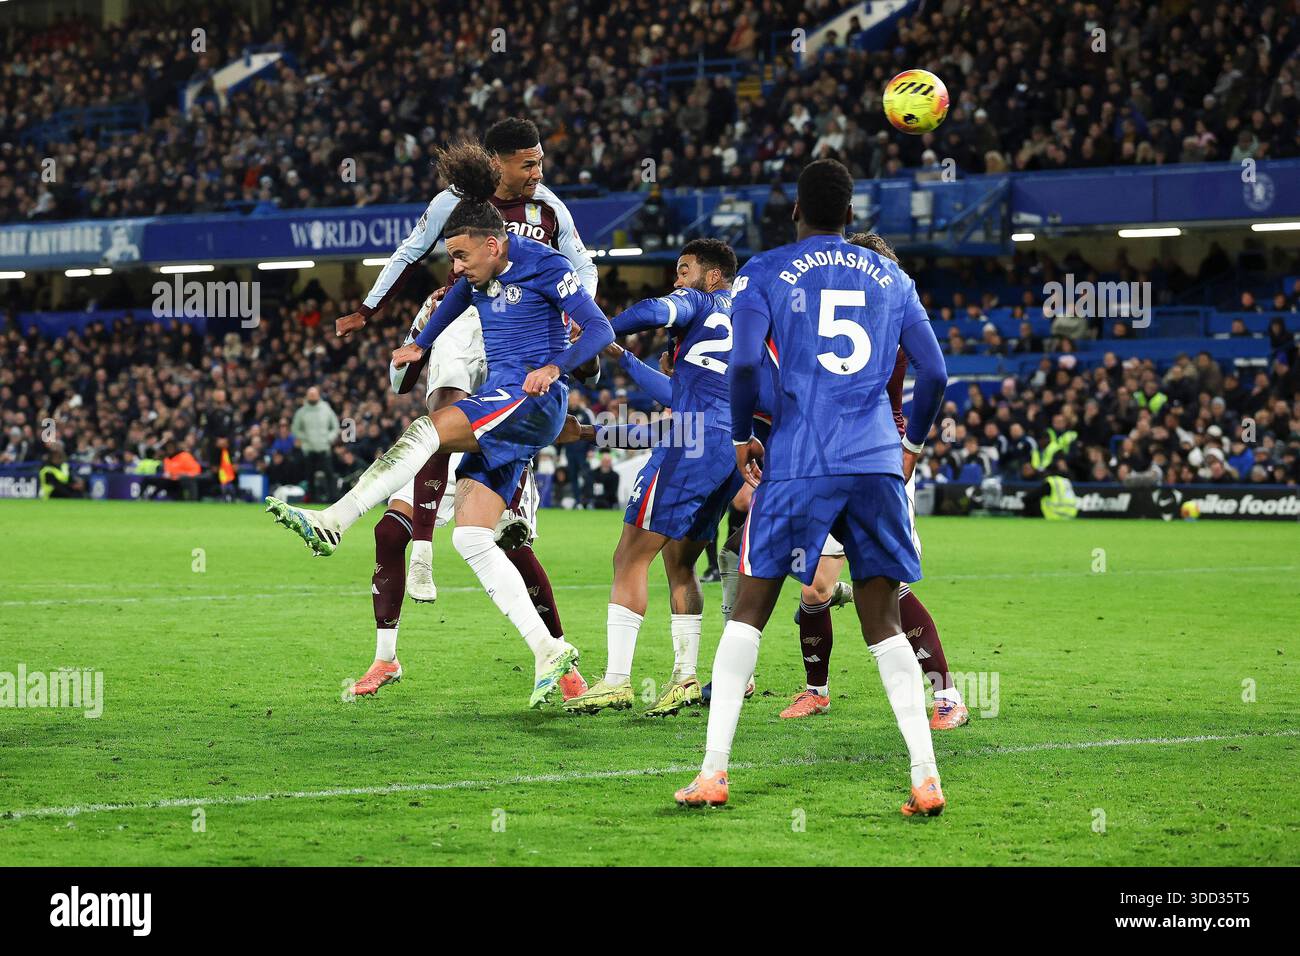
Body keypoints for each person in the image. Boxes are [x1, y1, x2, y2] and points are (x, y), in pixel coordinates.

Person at [265, 142, 613, 709]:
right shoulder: (478, 272)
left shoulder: (548, 264)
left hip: (530, 399)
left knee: (428, 431)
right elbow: (455, 297)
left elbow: (598, 330)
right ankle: (552, 652)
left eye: (461, 254)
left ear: (495, 244)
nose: (455, 265)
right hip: (511, 414)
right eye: (450, 255)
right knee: (474, 536)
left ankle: (334, 518)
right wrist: (417, 344)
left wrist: (555, 366)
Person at [673, 159, 949, 815]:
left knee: (750, 612)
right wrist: (908, 448)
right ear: (852, 217)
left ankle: (713, 773)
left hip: (798, 456)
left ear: (795, 212)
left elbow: (743, 361)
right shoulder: (893, 276)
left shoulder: (765, 271)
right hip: (876, 457)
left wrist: (741, 436)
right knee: (883, 622)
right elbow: (934, 373)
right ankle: (924, 776)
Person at [337, 117, 598, 606]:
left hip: (524, 324)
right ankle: (422, 551)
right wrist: (368, 310)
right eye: (529, 163)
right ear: (496, 163)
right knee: (445, 408)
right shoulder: (452, 203)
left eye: (540, 160)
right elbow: (409, 253)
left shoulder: (549, 208)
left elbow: (582, 265)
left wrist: (578, 312)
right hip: (467, 312)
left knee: (519, 411)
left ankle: (512, 501)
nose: (539, 172)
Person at [561, 239, 741, 717]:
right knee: (680, 563)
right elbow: (679, 394)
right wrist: (624, 361)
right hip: (728, 446)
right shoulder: (745, 323)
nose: (677, 279)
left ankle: (618, 680)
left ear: (713, 276)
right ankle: (685, 678)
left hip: (690, 442)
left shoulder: (699, 302)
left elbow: (650, 311)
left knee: (629, 554)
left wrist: (599, 331)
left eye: (685, 270)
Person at [291, 386, 339, 502]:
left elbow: (335, 427)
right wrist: (306, 438)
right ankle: (312, 499)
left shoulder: (326, 409)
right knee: (310, 476)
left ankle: (333, 498)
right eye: (310, 394)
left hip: (324, 448)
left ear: (318, 395)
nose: (312, 396)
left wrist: (328, 438)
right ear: (307, 396)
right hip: (309, 449)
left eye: (314, 394)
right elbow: (295, 429)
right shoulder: (301, 412)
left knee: (329, 475)